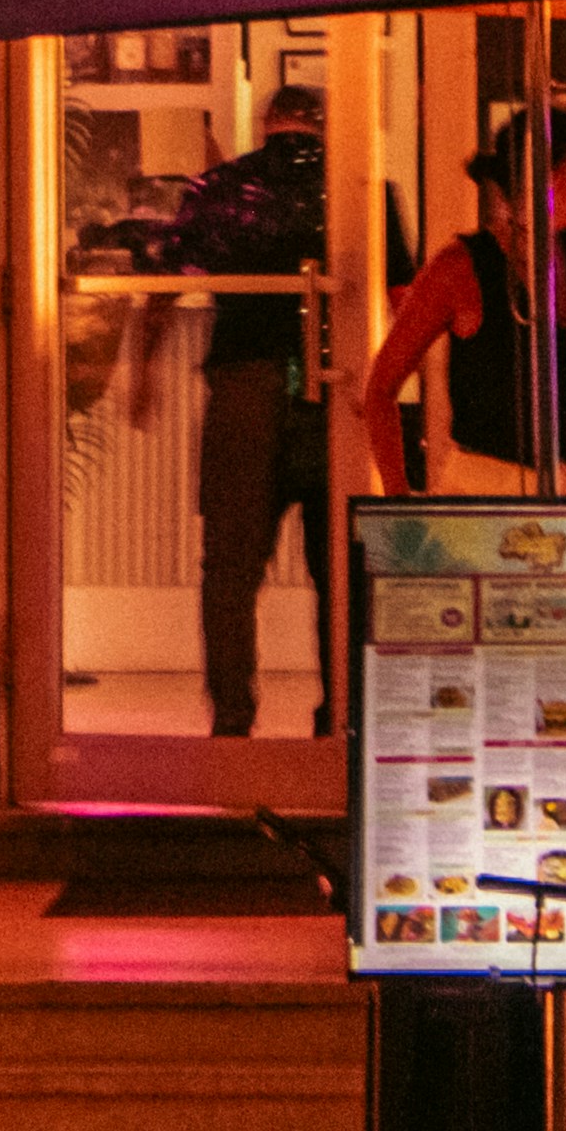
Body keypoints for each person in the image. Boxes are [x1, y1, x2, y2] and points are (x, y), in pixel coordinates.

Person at [345, 108, 566, 497]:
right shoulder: (459, 268)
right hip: (491, 490)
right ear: (539, 179)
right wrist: (399, 501)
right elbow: (380, 389)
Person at [172, 83, 333, 738]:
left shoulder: (220, 188)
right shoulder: (359, 190)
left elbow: (171, 273)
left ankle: (233, 717)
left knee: (231, 568)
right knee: (340, 567)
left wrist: (141, 373)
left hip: (244, 381)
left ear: (268, 122)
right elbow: (400, 295)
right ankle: (341, 714)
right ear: (325, 126)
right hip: (329, 382)